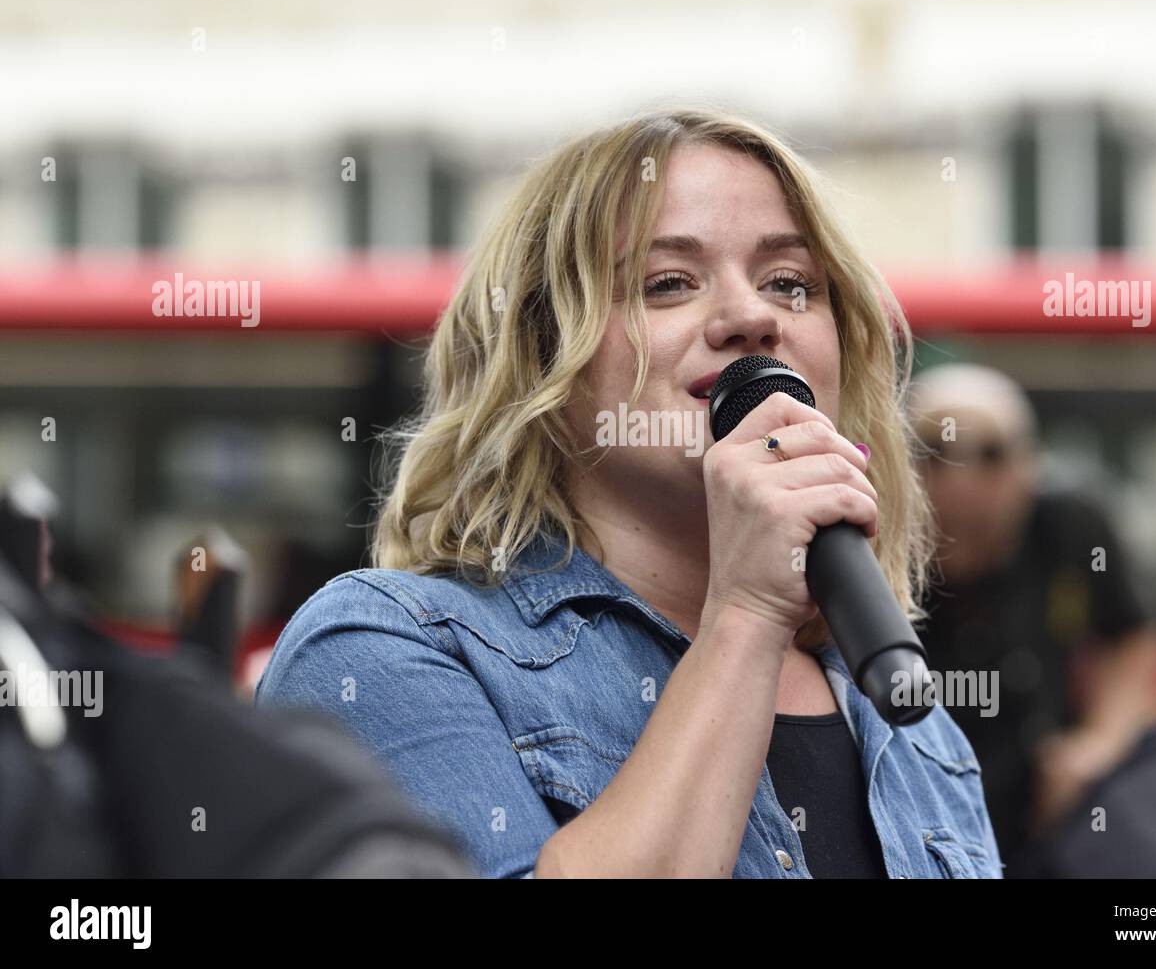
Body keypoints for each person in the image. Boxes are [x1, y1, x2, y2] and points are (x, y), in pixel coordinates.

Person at [256, 106, 1002, 878]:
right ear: (542, 358)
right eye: (668, 283)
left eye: (790, 282)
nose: (753, 315)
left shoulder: (911, 726)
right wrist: (745, 613)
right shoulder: (382, 648)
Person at [908, 363, 1156, 874]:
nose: (962, 482)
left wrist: (1101, 742)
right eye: (934, 452)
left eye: (990, 455)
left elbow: (1136, 632)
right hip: (918, 806)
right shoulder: (874, 535)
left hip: (1041, 804)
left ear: (1029, 465)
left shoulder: (1069, 525)